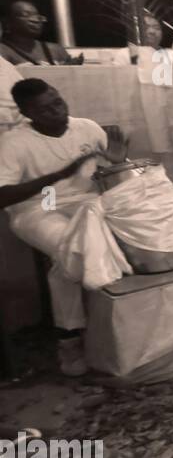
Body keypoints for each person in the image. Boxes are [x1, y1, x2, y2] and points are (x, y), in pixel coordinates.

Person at [0, 79, 125, 375]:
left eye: (58, 101)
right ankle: (82, 339)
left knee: (131, 233)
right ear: (27, 113)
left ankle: (86, 333)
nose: (58, 111)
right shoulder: (14, 142)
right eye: (45, 109)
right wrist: (57, 176)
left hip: (88, 202)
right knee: (77, 248)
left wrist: (116, 164)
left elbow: (111, 173)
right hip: (38, 208)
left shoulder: (87, 128)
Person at [0, 0, 76, 66]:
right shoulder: (2, 50)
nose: (35, 20)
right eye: (26, 15)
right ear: (7, 22)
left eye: (37, 16)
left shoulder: (56, 50)